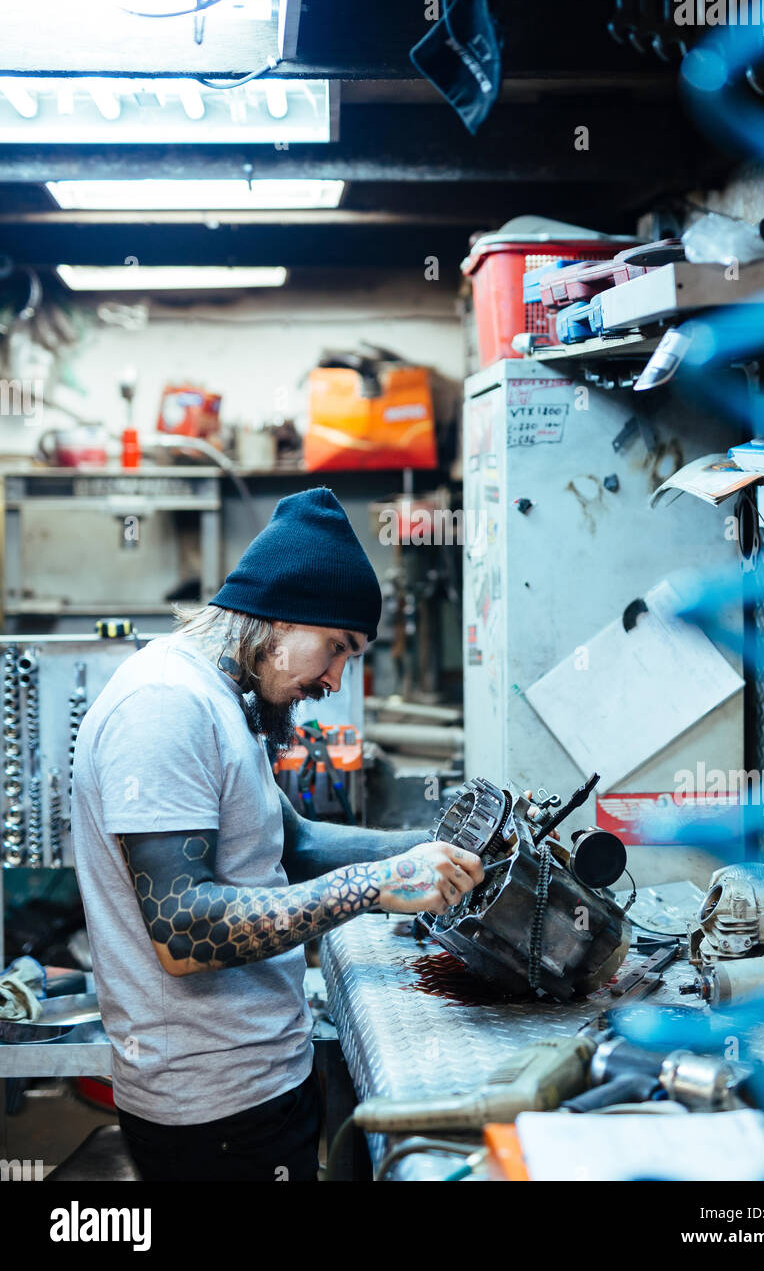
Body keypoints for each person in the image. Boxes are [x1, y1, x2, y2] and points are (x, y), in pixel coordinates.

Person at [71, 487, 482, 1182]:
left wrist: (432, 849)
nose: (335, 678)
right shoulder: (165, 707)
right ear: (279, 615)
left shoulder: (224, 699)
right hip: (212, 1111)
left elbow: (291, 845)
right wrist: (376, 885)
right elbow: (184, 931)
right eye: (336, 648)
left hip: (255, 1085)